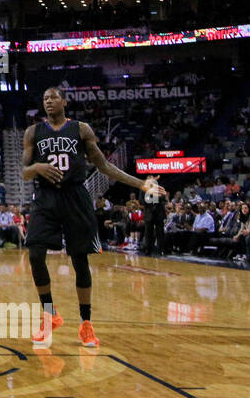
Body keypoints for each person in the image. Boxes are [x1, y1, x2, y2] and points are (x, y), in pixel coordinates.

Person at [23, 87, 165, 348]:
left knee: (80, 260)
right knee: (34, 254)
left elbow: (104, 166)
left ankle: (86, 323)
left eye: (53, 97)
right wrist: (37, 167)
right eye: (44, 98)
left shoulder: (81, 129)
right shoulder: (33, 132)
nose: (48, 102)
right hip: (45, 197)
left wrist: (141, 184)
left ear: (64, 101)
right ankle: (49, 313)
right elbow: (24, 172)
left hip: (75, 196)